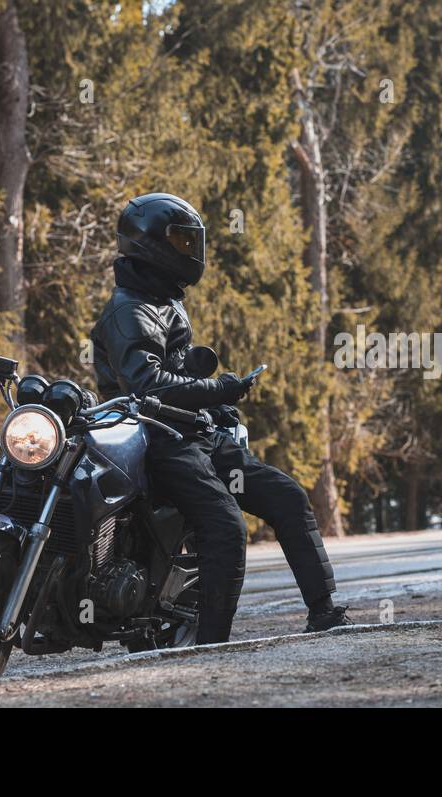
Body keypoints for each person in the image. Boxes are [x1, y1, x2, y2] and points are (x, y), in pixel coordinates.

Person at [90, 192, 352, 643]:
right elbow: (148, 386)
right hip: (157, 441)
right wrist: (220, 388)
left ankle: (324, 612)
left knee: (287, 497)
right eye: (179, 240)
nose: (189, 250)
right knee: (226, 528)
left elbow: (173, 373)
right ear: (151, 245)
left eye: (190, 241)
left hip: (192, 435)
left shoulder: (161, 299)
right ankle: (211, 645)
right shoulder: (130, 310)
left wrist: (212, 405)